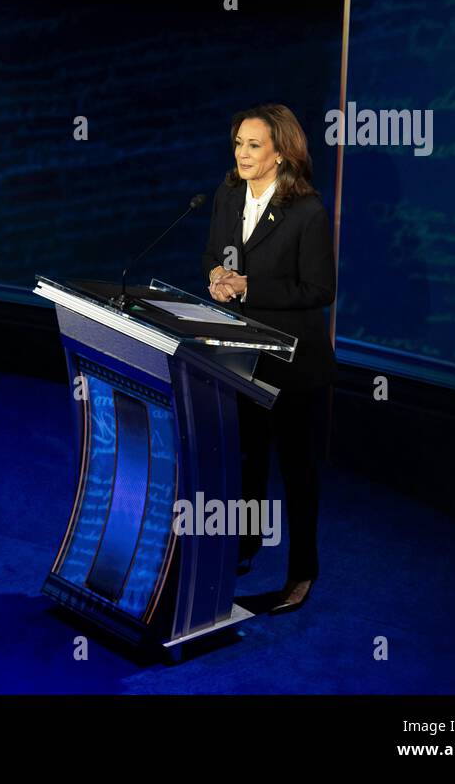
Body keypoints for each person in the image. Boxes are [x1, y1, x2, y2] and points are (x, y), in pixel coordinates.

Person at [201, 103, 335, 614]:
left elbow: (319, 288)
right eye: (238, 143)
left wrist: (249, 285)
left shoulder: (307, 210)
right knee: (246, 458)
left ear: (281, 152)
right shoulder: (228, 192)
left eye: (254, 145)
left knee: (297, 471)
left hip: (294, 363)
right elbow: (213, 252)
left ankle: (302, 574)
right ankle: (244, 543)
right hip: (240, 354)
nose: (242, 153)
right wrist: (216, 275)